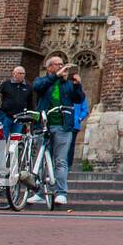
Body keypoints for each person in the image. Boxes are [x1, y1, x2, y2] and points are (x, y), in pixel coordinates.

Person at [31, 55, 86, 206]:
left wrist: (77, 85)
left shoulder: (67, 84)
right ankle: (40, 193)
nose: (62, 67)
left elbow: (79, 99)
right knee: (41, 160)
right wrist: (55, 76)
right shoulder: (42, 81)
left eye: (63, 65)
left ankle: (61, 193)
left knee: (60, 160)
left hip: (63, 126)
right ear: (49, 67)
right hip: (43, 126)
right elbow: (37, 87)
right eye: (58, 64)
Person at [0, 65, 33, 135]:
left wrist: (29, 117)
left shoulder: (29, 86)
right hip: (6, 116)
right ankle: (1, 146)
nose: (22, 75)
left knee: (15, 139)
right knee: (2, 137)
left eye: (23, 74)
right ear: (14, 74)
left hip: (20, 118)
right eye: (19, 73)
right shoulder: (6, 84)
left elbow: (30, 102)